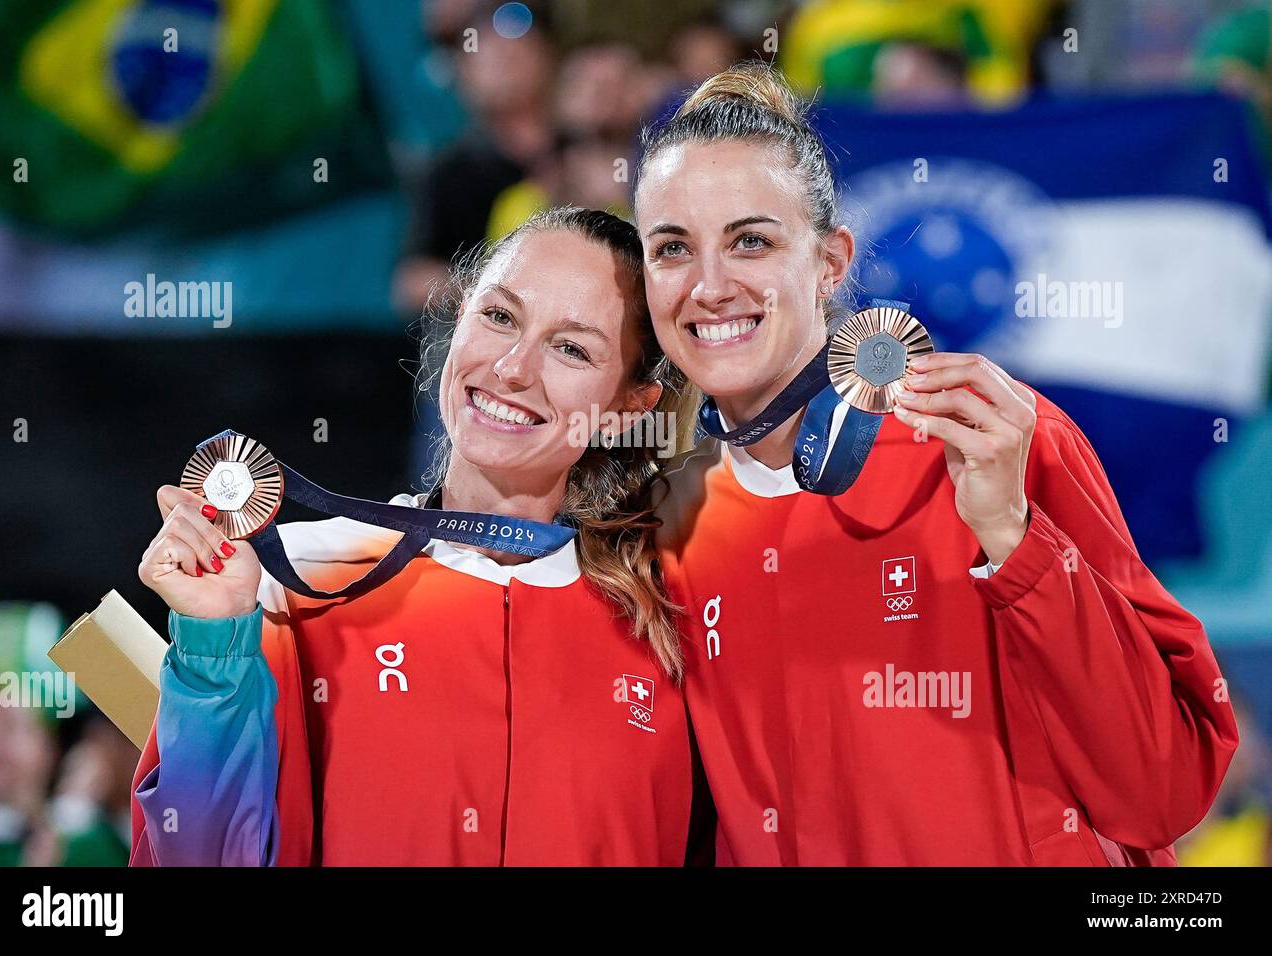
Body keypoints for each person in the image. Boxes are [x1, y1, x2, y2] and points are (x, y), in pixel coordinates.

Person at [634, 62, 1239, 866]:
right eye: (672, 249)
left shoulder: (987, 437)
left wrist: (1013, 538)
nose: (710, 286)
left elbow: (1162, 789)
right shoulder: (662, 529)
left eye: (752, 240)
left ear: (831, 263)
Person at [129, 207, 704, 866]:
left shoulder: (665, 632)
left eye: (571, 348)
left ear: (628, 408)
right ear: (458, 323)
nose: (514, 368)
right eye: (499, 316)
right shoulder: (303, 580)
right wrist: (214, 648)